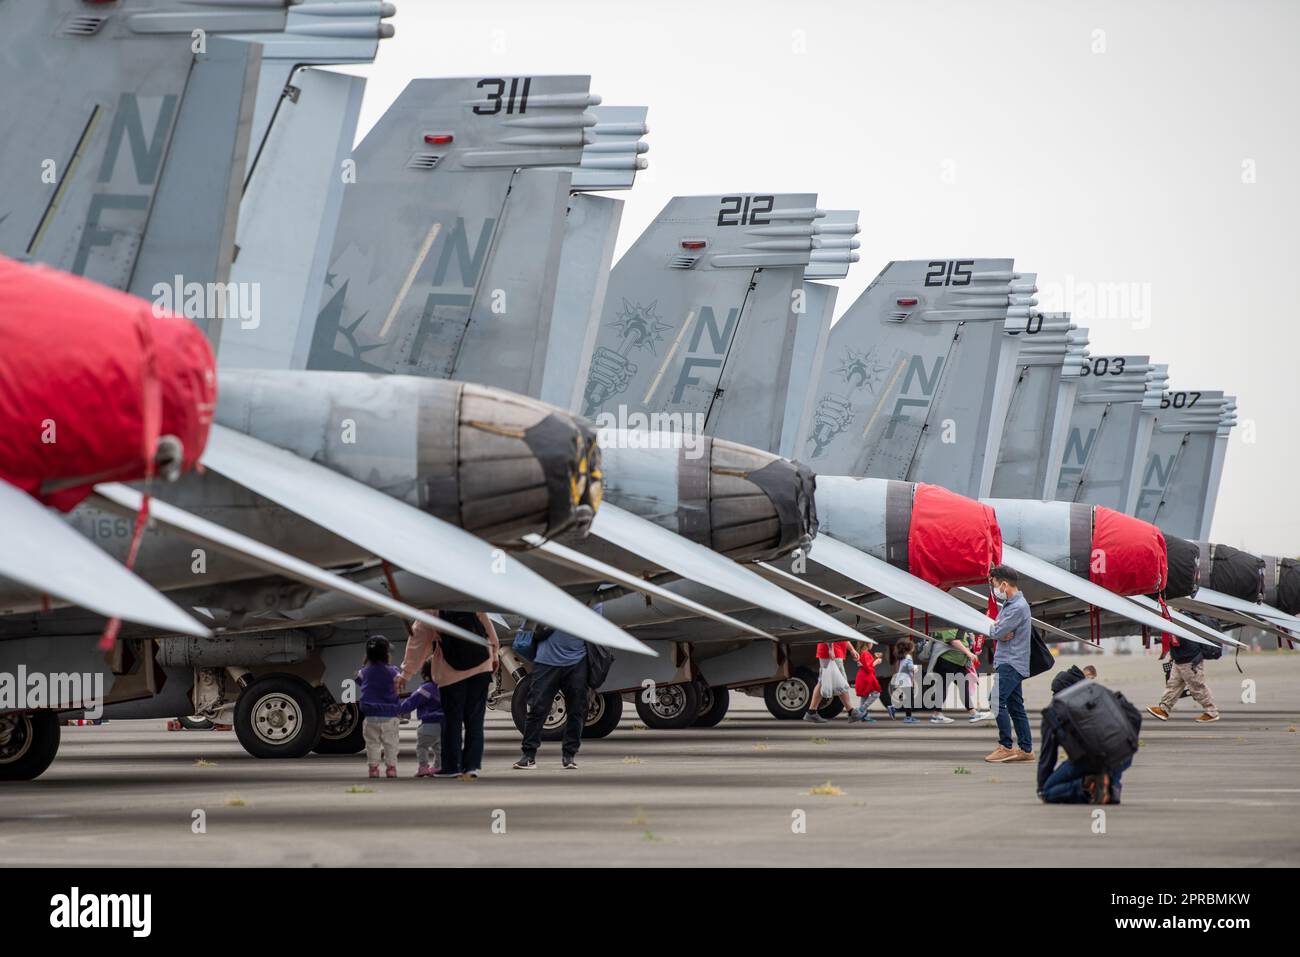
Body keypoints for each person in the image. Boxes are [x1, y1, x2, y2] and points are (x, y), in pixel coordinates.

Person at [398, 611, 499, 779]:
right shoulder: (469, 598)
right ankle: (471, 767)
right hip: (481, 665)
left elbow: (418, 641)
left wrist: (406, 673)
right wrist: (494, 655)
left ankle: (452, 767)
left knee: (452, 721)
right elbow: (489, 630)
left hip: (452, 672)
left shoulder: (432, 608)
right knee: (475, 721)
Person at [513, 608, 601, 770]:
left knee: (577, 710)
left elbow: (594, 626)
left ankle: (569, 755)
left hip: (576, 660)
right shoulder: (547, 592)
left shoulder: (590, 596)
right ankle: (528, 755)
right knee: (537, 708)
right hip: (546, 660)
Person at [1039, 665, 1139, 804]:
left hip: (1093, 759)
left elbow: (1047, 755)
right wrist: (1130, 742)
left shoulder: (1055, 711)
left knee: (1048, 791)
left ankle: (1086, 786)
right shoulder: (1101, 693)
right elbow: (1135, 716)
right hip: (1123, 751)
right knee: (1112, 761)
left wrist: (1041, 787)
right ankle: (1112, 786)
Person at [984, 565, 1035, 763]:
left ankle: (1006, 746)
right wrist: (999, 630)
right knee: (1015, 707)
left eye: (995, 584)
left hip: (1011, 662)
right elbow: (999, 630)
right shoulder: (1013, 605)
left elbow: (996, 631)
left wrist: (995, 630)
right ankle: (1026, 749)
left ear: (1004, 584)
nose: (995, 588)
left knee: (995, 700)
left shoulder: (1017, 607)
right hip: (1011, 660)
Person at [1147, 628, 1220, 723]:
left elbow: (1179, 639)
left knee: (1196, 686)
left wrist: (1165, 641)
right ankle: (1164, 709)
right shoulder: (1173, 619)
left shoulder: (1181, 620)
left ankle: (1212, 712)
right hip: (1179, 659)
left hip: (1189, 660)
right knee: (1173, 685)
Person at [357, 636, 403, 779]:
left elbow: (359, 681)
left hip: (370, 716)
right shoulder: (394, 671)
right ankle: (391, 769)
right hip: (389, 716)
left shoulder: (363, 672)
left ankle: (373, 769)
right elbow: (399, 683)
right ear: (386, 654)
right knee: (391, 744)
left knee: (372, 744)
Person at [928, 628, 991, 724]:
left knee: (963, 686)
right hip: (947, 661)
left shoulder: (957, 625)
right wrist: (968, 653)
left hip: (958, 663)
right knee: (944, 687)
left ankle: (973, 713)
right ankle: (937, 715)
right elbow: (953, 640)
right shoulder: (947, 624)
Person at [398, 658, 443, 778]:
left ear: (424, 674)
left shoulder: (426, 689)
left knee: (422, 746)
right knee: (439, 747)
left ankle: (423, 767)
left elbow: (412, 702)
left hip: (429, 724)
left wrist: (399, 709)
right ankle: (439, 766)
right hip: (445, 724)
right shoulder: (444, 687)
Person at [804, 638, 860, 723]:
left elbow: (842, 634)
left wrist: (851, 649)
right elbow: (828, 633)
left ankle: (811, 712)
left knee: (829, 681)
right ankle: (851, 712)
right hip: (831, 652)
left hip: (834, 651)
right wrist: (830, 648)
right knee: (840, 682)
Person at [849, 643, 882, 722]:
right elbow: (868, 668)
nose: (872, 644)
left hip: (863, 676)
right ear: (867, 644)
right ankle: (861, 709)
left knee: (864, 696)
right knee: (876, 693)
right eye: (871, 643)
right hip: (866, 677)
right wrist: (876, 662)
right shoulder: (865, 653)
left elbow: (865, 665)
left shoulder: (863, 653)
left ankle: (863, 716)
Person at [888, 639, 918, 723]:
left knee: (904, 698)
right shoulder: (908, 657)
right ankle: (908, 717)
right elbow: (910, 668)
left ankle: (894, 707)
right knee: (909, 699)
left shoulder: (901, 657)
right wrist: (916, 668)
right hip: (906, 681)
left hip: (901, 680)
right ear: (909, 648)